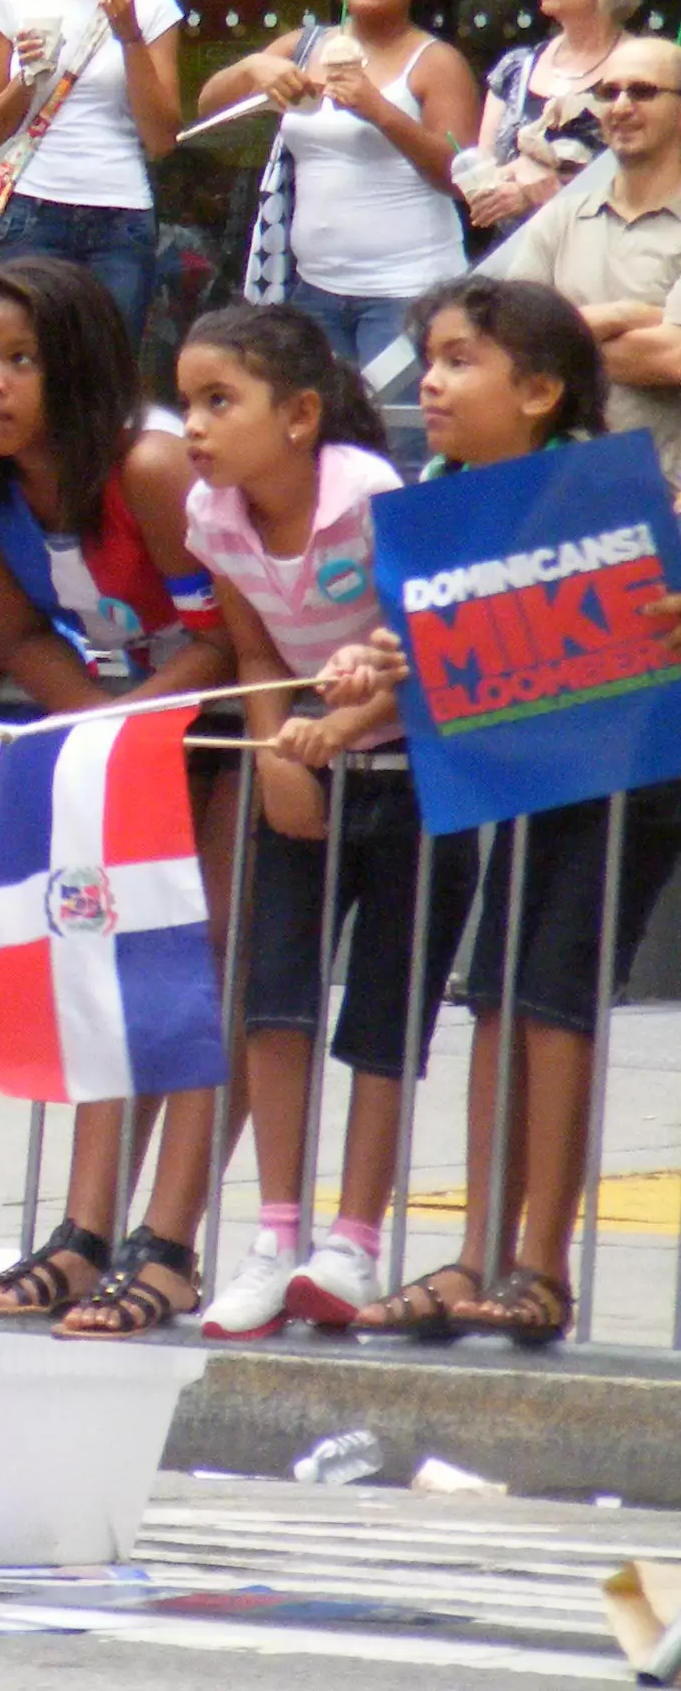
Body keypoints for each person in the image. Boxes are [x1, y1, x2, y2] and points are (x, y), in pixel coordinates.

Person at [347, 278, 681, 1342]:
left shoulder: (606, 500)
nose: (432, 385)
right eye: (429, 361)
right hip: (523, 783)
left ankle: (541, 1263)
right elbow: (425, 666)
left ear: (539, 391)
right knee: (494, 994)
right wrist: (375, 669)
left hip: (631, 779)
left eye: (458, 362)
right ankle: (479, 1256)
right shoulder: (440, 500)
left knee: (554, 1000)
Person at [0, 256, 241, 1336]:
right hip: (121, 746)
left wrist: (128, 726)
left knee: (193, 986)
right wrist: (93, 732)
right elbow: (12, 634)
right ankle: (86, 1229)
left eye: (21, 361)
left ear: (80, 369)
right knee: (102, 970)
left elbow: (224, 635)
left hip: (230, 738)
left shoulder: (149, 467)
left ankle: (170, 1244)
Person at [175, 305, 438, 1340]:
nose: (194, 426)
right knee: (273, 1003)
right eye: (190, 401)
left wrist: (353, 721)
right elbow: (251, 650)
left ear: (299, 417)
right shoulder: (211, 513)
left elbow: (425, 638)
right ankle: (274, 1235)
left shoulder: (369, 493)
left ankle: (354, 1243)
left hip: (409, 769)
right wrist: (285, 746)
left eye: (218, 402)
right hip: (302, 771)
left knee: (381, 1014)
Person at [196, 0, 479, 365]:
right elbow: (208, 108)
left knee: (400, 431)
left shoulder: (436, 62)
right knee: (327, 431)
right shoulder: (304, 46)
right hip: (313, 290)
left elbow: (461, 177)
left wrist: (379, 111)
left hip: (408, 295)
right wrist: (253, 68)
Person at [0, 0, 186, 341]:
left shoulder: (151, 6)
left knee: (104, 372)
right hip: (31, 212)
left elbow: (162, 137)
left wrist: (129, 36)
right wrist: (26, 78)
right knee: (28, 360)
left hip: (120, 215)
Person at [490, 37, 681, 488]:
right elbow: (507, 343)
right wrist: (625, 316)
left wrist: (556, 343)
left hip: (666, 494)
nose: (620, 106)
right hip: (558, 491)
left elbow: (672, 359)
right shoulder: (560, 218)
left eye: (643, 91)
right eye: (607, 92)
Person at [464, 0, 653, 230]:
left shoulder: (650, 70)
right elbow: (484, 172)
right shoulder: (515, 69)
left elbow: (659, 182)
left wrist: (550, 192)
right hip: (516, 269)